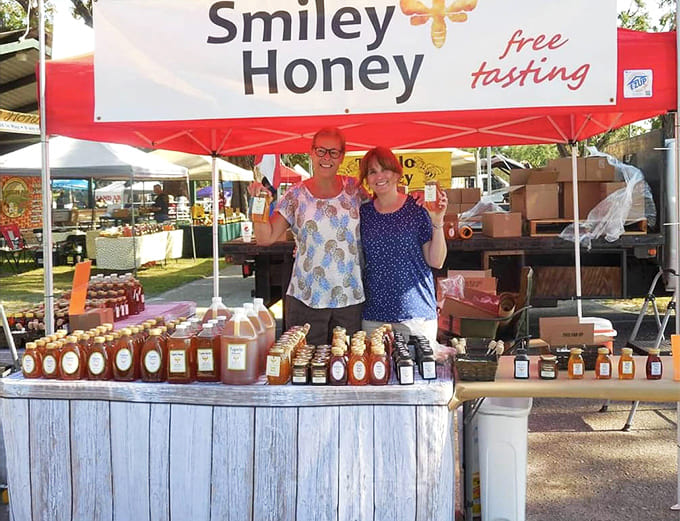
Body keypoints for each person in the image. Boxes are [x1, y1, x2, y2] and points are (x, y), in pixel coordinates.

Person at [247, 127, 365, 345]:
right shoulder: (295, 194)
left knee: (347, 370)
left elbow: (382, 213)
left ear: (342, 156)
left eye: (333, 152)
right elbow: (266, 237)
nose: (326, 158)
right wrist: (258, 203)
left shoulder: (356, 189)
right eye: (321, 151)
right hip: (307, 298)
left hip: (350, 298)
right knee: (307, 372)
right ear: (311, 152)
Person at [358, 146, 447, 348]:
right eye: (372, 171)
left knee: (418, 375)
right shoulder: (363, 214)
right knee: (376, 375)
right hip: (375, 316)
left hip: (416, 316)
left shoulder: (417, 208)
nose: (379, 176)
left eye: (385, 169)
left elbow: (436, 260)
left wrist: (438, 221)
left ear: (397, 173)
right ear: (366, 178)